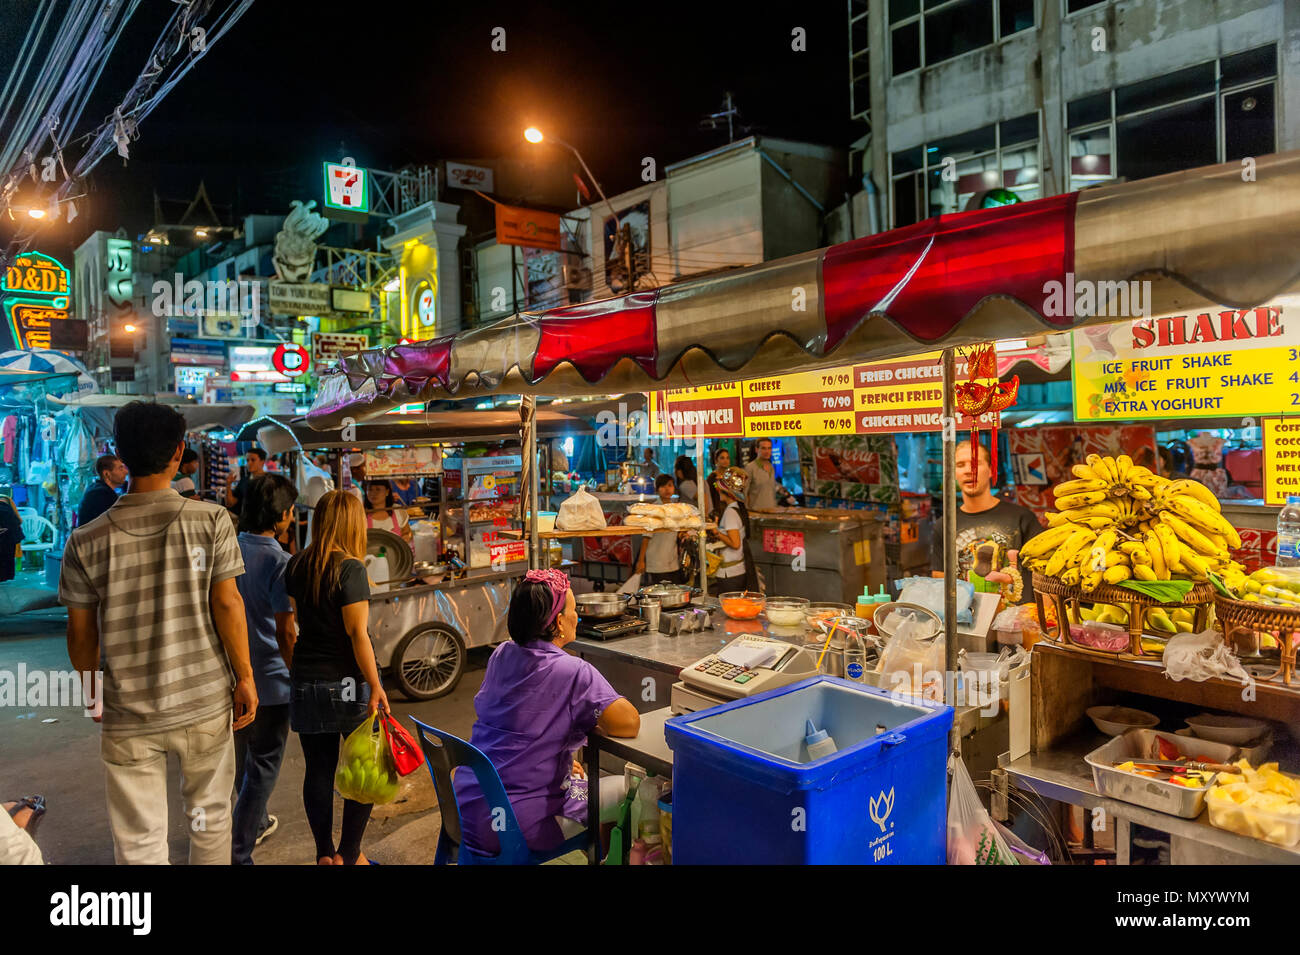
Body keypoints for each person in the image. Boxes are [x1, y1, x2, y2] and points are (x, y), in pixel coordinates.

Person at [59, 401, 256, 865]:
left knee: (139, 840)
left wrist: (92, 690)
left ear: (119, 454)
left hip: (128, 710)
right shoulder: (211, 522)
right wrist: (245, 676)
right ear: (178, 452)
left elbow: (81, 634)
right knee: (209, 820)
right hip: (205, 700)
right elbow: (228, 603)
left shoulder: (85, 540)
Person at [454, 569, 641, 856]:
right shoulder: (573, 671)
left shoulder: (502, 654)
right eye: (573, 610)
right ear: (557, 622)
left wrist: (560, 758)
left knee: (579, 781)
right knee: (628, 791)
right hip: (511, 825)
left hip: (468, 808)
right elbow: (629, 723)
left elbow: (516, 729)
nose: (577, 617)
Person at [285, 491, 389, 866]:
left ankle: (324, 855)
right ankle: (349, 853)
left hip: (306, 678)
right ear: (352, 523)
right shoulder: (351, 568)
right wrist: (376, 684)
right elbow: (357, 634)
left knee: (318, 768)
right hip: (346, 681)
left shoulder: (297, 564)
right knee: (363, 766)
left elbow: (298, 623)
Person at [231, 473, 299, 864]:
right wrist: (298, 677)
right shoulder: (279, 561)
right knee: (264, 767)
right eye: (290, 511)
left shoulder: (232, 549)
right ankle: (239, 852)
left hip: (236, 678)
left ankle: (253, 825)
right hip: (272, 681)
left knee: (246, 761)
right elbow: (286, 631)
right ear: (280, 515)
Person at [931, 440, 1042, 604]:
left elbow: (1044, 573)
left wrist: (1047, 617)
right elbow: (940, 579)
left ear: (991, 470)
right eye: (960, 465)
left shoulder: (1022, 518)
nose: (969, 471)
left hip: (1014, 622)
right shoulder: (944, 525)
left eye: (975, 463)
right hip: (967, 623)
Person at [711, 466, 759, 592]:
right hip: (737, 570)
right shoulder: (737, 508)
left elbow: (735, 543)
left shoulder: (730, 513)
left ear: (727, 492)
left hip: (730, 574)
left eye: (720, 489)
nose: (718, 491)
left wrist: (716, 532)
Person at [636, 474, 684, 584]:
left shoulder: (676, 509)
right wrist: (641, 561)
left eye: (670, 485)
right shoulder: (653, 510)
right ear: (657, 489)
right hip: (656, 562)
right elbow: (646, 538)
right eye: (663, 486)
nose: (667, 489)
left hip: (672, 561)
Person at [743, 437, 797, 510]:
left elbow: (771, 485)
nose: (767, 451)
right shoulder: (750, 468)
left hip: (772, 511)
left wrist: (783, 492)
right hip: (757, 513)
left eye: (769, 448)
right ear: (756, 449)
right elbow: (744, 493)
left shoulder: (771, 466)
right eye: (763, 448)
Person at [77, 453, 127, 526]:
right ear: (106, 474)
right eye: (120, 468)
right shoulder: (101, 494)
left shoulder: (97, 488)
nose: (126, 472)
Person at [226, 447, 267, 517]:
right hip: (245, 522)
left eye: (253, 460)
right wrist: (228, 484)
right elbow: (231, 503)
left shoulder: (269, 480)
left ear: (262, 462)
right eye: (247, 460)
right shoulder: (244, 480)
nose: (249, 463)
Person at [705, 446, 731, 521]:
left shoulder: (731, 476)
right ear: (716, 461)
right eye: (722, 458)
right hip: (717, 512)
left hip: (730, 510)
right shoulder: (712, 477)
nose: (725, 460)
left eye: (727, 458)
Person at [1, 495, 21, 583]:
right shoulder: (6, 503)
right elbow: (17, 521)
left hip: (7, 536)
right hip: (9, 536)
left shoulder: (4, 505)